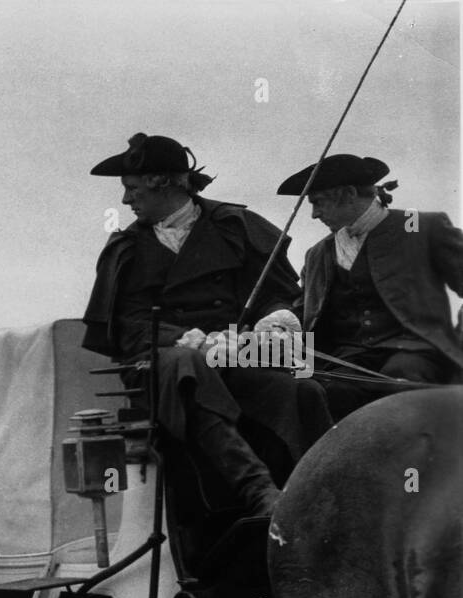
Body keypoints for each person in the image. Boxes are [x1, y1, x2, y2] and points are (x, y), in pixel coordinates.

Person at [83, 133, 331, 518]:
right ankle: (259, 492)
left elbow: (280, 294)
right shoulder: (125, 249)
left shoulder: (237, 227)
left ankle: (321, 500)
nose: (125, 200)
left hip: (235, 356)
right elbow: (126, 328)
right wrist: (186, 339)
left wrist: (273, 323)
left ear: (162, 182)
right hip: (160, 367)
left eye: (132, 189)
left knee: (303, 389)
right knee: (190, 365)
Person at [277, 154, 463, 420]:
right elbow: (302, 311)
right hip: (346, 359)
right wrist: (278, 324)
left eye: (318, 202)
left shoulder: (420, 227)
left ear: (350, 194)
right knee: (317, 394)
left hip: (414, 352)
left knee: (399, 389)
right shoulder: (318, 253)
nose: (314, 214)